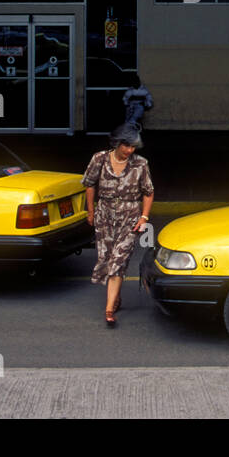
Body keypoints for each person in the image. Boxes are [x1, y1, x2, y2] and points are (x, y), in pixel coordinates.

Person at [83, 124, 153, 327]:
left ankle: (109, 310)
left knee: (119, 261)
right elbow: (89, 184)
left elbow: (148, 192)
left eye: (133, 147)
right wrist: (91, 211)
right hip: (105, 216)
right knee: (107, 259)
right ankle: (116, 298)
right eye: (127, 146)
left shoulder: (141, 164)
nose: (130, 151)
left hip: (129, 218)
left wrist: (144, 218)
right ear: (117, 143)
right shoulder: (100, 158)